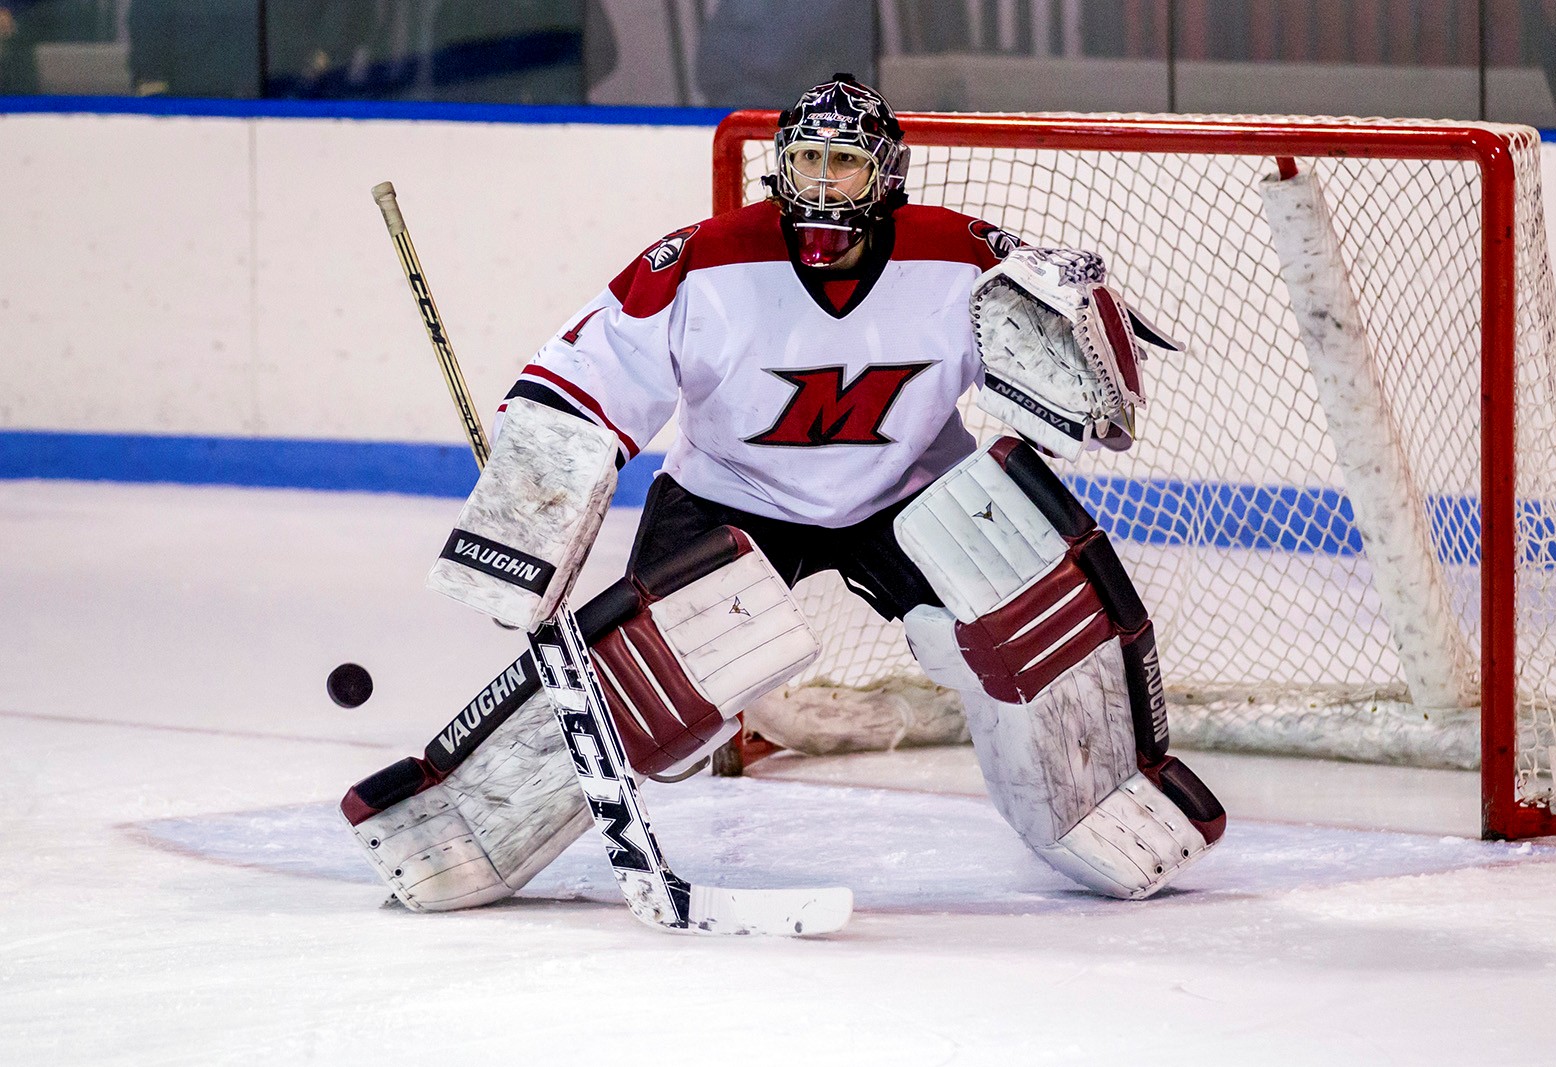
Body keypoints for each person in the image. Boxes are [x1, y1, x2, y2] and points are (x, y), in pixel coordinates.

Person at [342, 74, 1226, 915]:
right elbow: (584, 378)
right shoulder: (704, 261)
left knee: (1038, 606)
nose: (822, 180)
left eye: (843, 161)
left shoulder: (955, 254)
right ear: (781, 164)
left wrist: (1082, 349)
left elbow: (1069, 348)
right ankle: (469, 821)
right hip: (731, 493)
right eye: (807, 159)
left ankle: (1095, 797)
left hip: (912, 489)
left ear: (887, 171)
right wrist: (529, 517)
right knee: (655, 685)